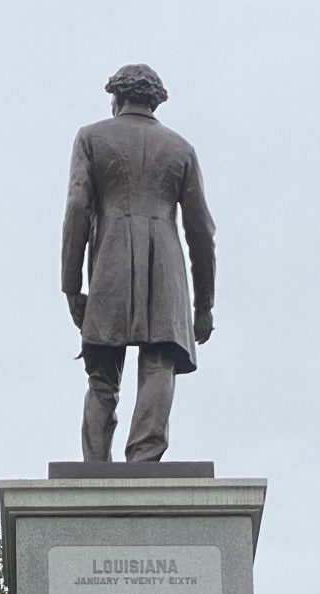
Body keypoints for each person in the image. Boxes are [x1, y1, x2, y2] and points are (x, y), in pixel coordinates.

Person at [61, 63, 216, 463]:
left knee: (101, 374)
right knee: (159, 363)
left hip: (110, 260)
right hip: (165, 264)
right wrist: (204, 304)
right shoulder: (181, 149)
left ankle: (95, 465)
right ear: (155, 101)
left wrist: (71, 284)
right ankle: (144, 459)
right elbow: (200, 233)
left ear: (116, 97)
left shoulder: (91, 137)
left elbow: (78, 208)